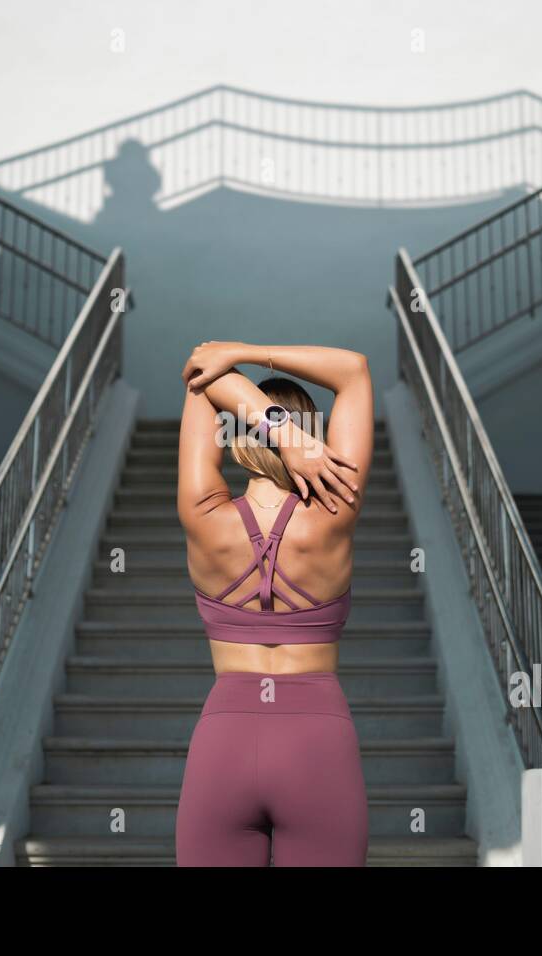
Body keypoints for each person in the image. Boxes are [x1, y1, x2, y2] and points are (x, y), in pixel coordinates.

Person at [173, 341, 374, 866]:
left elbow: (202, 373)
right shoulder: (336, 506)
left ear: (237, 444)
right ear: (314, 435)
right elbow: (353, 372)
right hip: (318, 742)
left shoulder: (201, 514)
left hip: (224, 740)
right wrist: (250, 354)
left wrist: (272, 426)